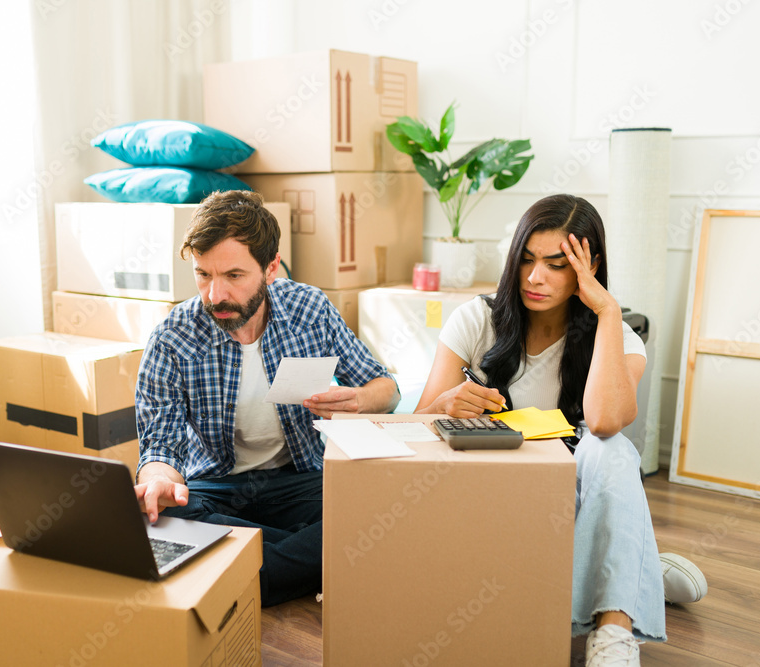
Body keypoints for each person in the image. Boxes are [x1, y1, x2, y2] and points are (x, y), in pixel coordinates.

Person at [414, 193, 666, 666]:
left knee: (612, 451)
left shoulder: (617, 336)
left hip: (564, 503)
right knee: (616, 480)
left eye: (556, 264)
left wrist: (607, 311)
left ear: (587, 269)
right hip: (488, 495)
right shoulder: (476, 319)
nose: (535, 277)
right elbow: (416, 425)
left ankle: (613, 637)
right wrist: (444, 404)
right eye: (527, 260)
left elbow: (609, 421)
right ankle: (638, 563)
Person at [133, 190, 400, 607]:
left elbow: (387, 389)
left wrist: (361, 400)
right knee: (158, 517)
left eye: (234, 276)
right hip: (215, 488)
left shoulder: (309, 308)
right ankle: (313, 559)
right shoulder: (173, 335)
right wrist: (159, 482)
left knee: (383, 514)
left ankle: (237, 569)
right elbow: (159, 444)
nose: (214, 295)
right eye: (203, 274)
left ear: (271, 267)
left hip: (299, 478)